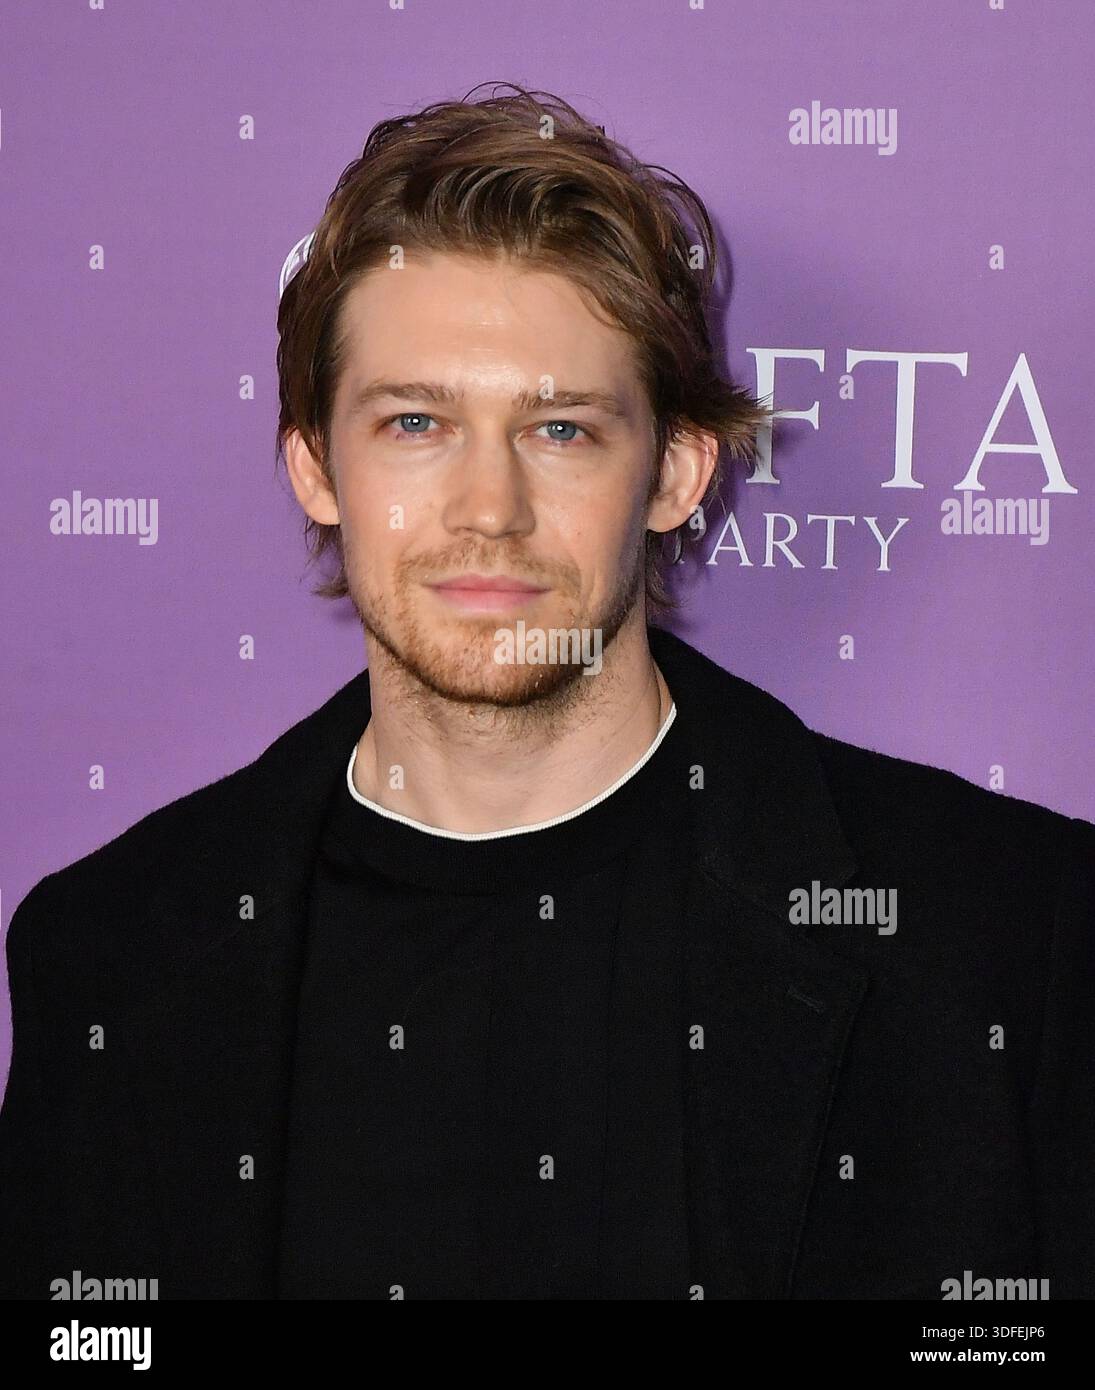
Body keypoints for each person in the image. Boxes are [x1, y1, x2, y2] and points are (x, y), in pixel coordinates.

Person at [1, 84, 1092, 1301]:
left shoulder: (1006, 937)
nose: (489, 510)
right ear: (317, 467)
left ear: (677, 472)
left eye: (561, 430)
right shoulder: (114, 954)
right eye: (415, 421)